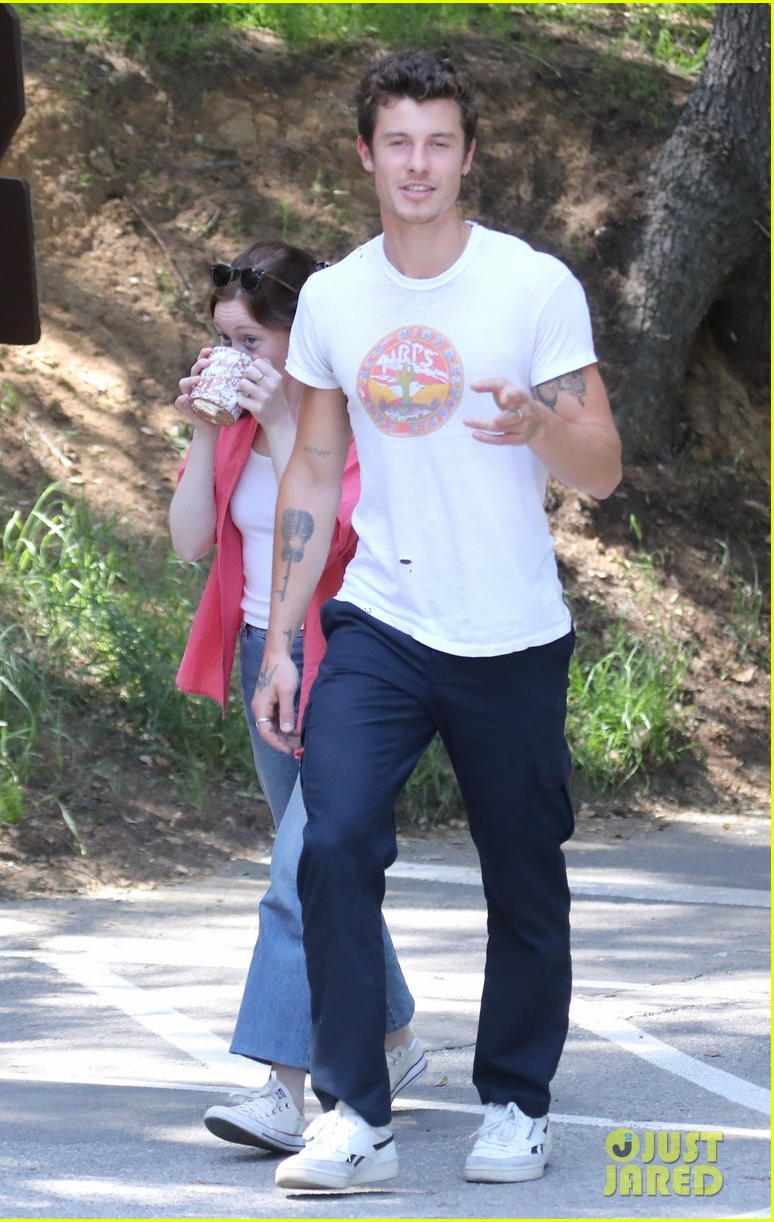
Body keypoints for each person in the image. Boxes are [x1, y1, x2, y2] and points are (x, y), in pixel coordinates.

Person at [251, 51, 622, 1191]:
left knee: (522, 873)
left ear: (467, 155)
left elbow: (600, 467)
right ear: (367, 154)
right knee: (333, 838)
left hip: (508, 630)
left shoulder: (530, 286)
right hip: (381, 619)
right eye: (396, 142)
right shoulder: (335, 298)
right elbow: (314, 465)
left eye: (438, 143)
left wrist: (537, 431)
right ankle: (353, 1112)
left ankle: (513, 1100)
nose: (417, 164)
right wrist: (280, 636)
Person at [169, 240, 426, 1157]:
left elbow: (348, 541)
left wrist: (284, 426)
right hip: (258, 659)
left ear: (299, 334)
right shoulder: (238, 418)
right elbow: (191, 541)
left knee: (294, 876)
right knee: (320, 866)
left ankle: (279, 1087)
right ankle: (391, 1038)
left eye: (249, 339)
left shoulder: (357, 419)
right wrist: (205, 432)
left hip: (352, 664)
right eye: (219, 340)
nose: (232, 357)